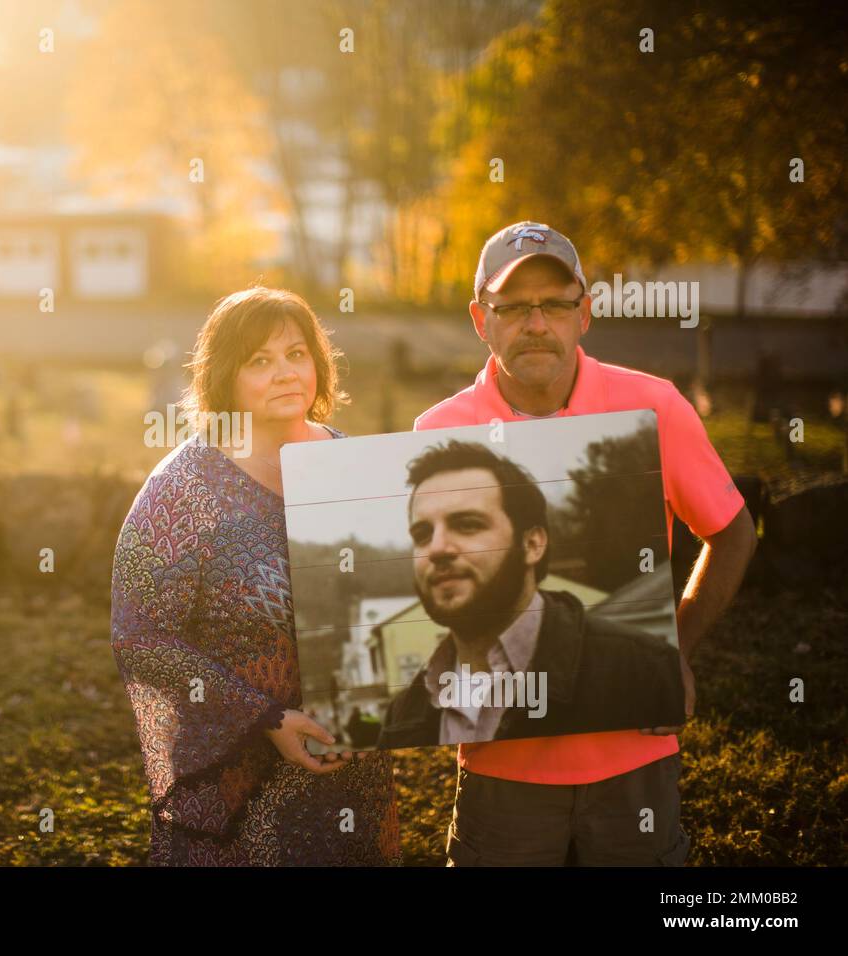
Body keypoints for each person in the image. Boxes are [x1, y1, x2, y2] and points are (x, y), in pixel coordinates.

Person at [415, 221, 756, 866]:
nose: (535, 323)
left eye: (555, 303)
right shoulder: (438, 431)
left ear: (585, 312)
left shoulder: (652, 407)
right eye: (512, 306)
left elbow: (732, 530)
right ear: (480, 319)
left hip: (633, 756)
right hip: (501, 765)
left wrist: (675, 650)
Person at [111, 286, 400, 865]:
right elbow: (140, 634)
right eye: (260, 361)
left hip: (351, 758)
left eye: (297, 354)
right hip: (235, 770)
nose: (286, 373)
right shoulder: (185, 486)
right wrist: (264, 717)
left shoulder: (352, 465)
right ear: (225, 377)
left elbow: (391, 595)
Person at [376, 440, 684, 748]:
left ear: (533, 544)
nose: (438, 548)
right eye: (422, 534)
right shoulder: (403, 714)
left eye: (467, 525)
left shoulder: (640, 669)